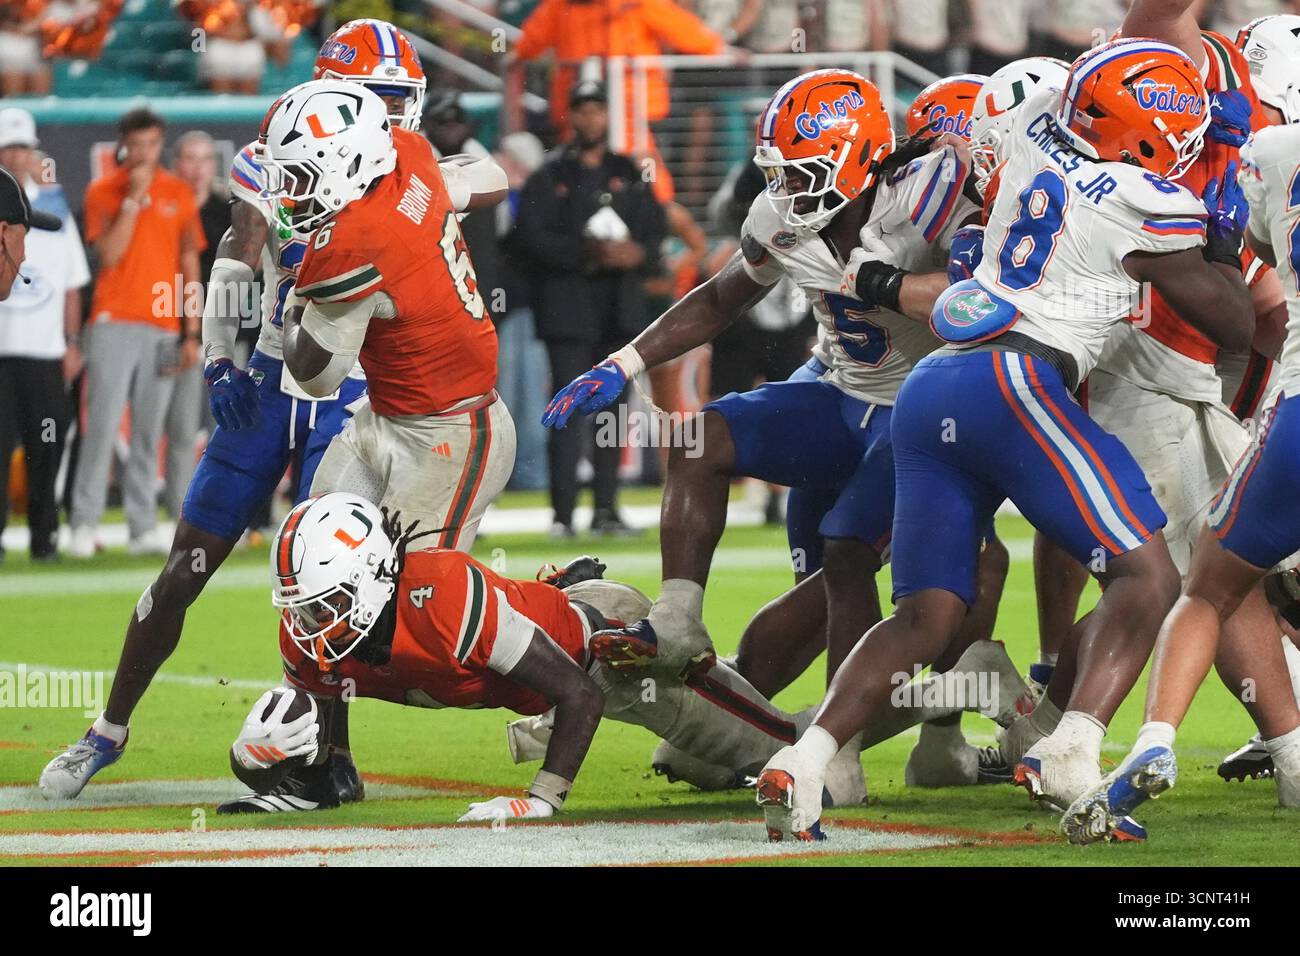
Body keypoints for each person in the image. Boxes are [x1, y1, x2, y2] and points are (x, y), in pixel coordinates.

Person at [753, 39, 1254, 842]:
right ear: (1156, 131)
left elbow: (988, 127)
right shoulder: (1140, 198)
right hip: (1017, 382)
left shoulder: (1028, 133)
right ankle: (1073, 752)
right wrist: (1223, 213)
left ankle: (806, 758)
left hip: (933, 385)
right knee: (1149, 576)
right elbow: (1236, 321)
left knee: (926, 616)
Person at [36, 20, 442, 805]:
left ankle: (332, 756)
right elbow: (241, 242)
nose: (396, 114)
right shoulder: (283, 148)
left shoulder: (406, 170)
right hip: (271, 381)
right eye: (383, 97)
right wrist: (221, 353)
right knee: (186, 563)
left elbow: (470, 188)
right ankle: (107, 732)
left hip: (353, 392)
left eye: (400, 99)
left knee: (332, 576)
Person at [228, 494, 1026, 814]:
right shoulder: (312, 634)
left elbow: (577, 693)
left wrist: (540, 801)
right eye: (304, 604)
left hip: (616, 655)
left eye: (327, 600)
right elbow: (323, 712)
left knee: (812, 763)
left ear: (373, 576)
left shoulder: (442, 598)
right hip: (563, 677)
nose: (313, 622)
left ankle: (969, 682)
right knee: (721, 769)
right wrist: (276, 768)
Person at [1062, 17, 1300, 845]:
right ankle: (1073, 736)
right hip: (1157, 369)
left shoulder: (1261, 156)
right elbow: (1249, 311)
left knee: (1208, 581)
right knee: (1191, 576)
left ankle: (1139, 737)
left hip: (1236, 395)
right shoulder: (1228, 153)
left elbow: (1258, 304)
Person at [516, 80, 667, 537]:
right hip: (568, 313)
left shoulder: (629, 170)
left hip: (619, 312)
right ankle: (563, 515)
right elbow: (529, 240)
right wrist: (586, 253)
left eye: (597, 110)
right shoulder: (550, 174)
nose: (589, 118)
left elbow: (655, 228)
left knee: (612, 414)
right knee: (567, 409)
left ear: (607, 115)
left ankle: (605, 510)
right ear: (571, 116)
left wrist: (638, 254)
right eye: (580, 110)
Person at [68, 108, 205, 559]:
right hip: (112, 321)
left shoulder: (178, 192)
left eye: (151, 143)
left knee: (150, 432)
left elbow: (189, 264)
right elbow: (108, 254)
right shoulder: (103, 191)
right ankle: (84, 525)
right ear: (124, 145)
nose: (144, 152)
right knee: (102, 427)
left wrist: (192, 330)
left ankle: (142, 524)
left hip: (165, 325)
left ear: (159, 142)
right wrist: (133, 198)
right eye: (136, 144)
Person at [0, 110, 87, 564]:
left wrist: (72, 341)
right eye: (8, 149)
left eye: (22, 148)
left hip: (44, 350)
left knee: (45, 448)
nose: (16, 157)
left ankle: (44, 538)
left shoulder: (53, 208)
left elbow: (72, 281)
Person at [162, 131, 228, 521]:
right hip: (182, 327)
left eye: (206, 158)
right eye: (191, 157)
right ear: (177, 162)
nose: (199, 167)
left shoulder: (230, 209)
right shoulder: (167, 207)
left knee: (231, 429)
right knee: (183, 429)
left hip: (229, 326)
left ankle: (230, 514)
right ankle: (181, 514)